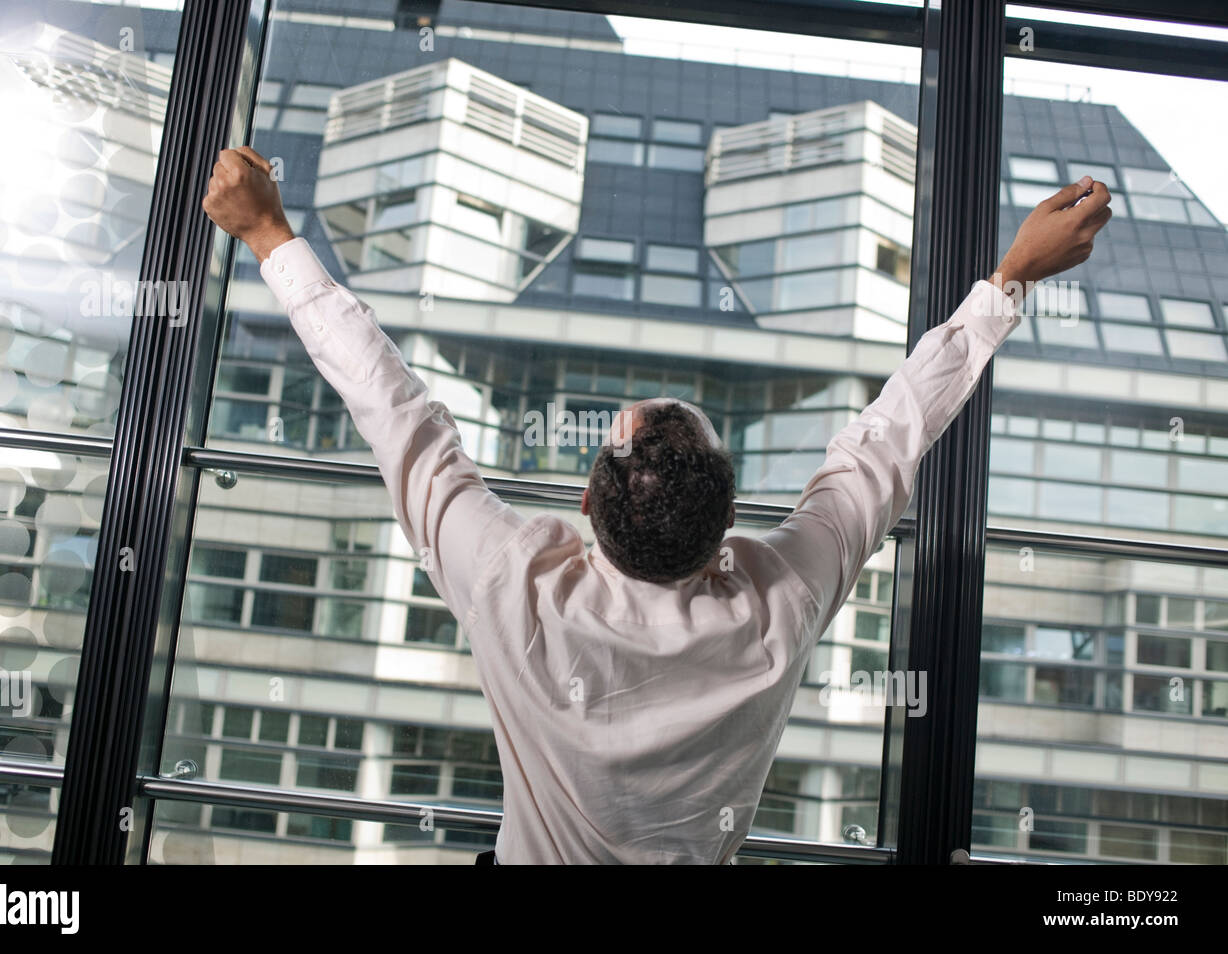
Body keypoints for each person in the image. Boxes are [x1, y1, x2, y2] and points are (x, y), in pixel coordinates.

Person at [203, 146, 1112, 864]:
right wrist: (1009, 279)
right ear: (730, 526)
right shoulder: (781, 599)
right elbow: (894, 431)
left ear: (586, 505)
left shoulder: (511, 583)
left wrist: (269, 235)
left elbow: (388, 403)